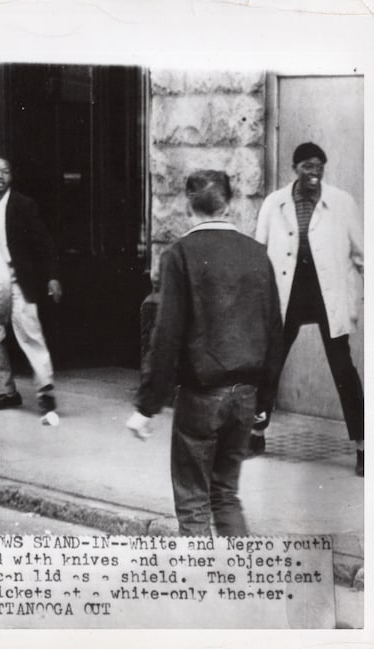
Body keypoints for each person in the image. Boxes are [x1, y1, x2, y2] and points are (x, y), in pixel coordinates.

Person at [127, 170, 283, 537]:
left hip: (201, 395)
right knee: (226, 495)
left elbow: (166, 336)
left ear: (188, 203)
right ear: (229, 202)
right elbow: (274, 330)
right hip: (245, 394)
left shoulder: (180, 255)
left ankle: (201, 589)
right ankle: (242, 584)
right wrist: (266, 397)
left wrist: (147, 405)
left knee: (194, 500)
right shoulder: (257, 254)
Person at [254, 142, 364, 476]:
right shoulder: (275, 203)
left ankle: (364, 446)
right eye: (307, 167)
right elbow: (260, 254)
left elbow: (362, 254)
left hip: (327, 294)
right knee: (270, 364)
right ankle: (255, 433)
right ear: (295, 169)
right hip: (288, 294)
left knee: (343, 368)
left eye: (319, 166)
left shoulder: (342, 203)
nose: (314, 173)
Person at [0, 157, 62, 416]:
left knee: (29, 330)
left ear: (11, 176)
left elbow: (43, 243)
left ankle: (45, 390)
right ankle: (3, 392)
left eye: (5, 171)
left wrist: (52, 277)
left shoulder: (24, 205)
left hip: (17, 278)